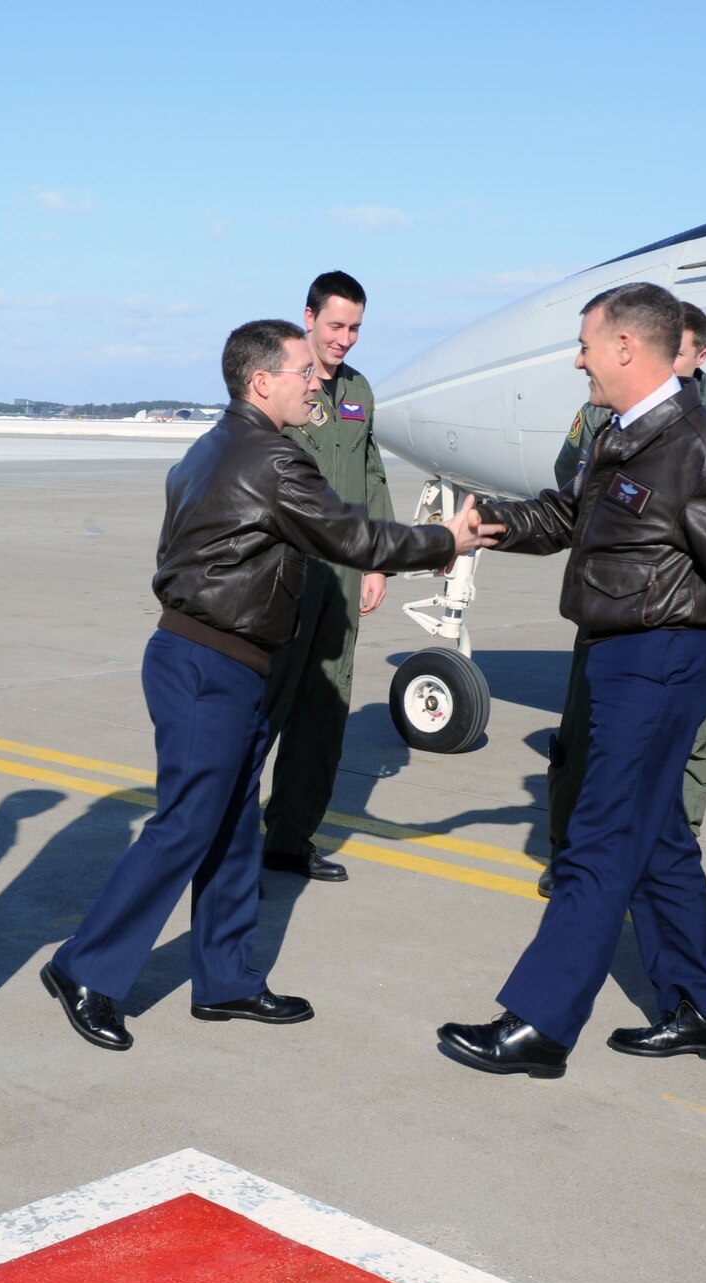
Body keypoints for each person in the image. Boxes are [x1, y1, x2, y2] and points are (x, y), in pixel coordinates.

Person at [42, 320, 500, 1051]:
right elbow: (353, 537)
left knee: (228, 828)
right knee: (188, 823)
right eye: (300, 371)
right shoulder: (271, 459)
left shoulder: (210, 449)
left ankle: (224, 980)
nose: (314, 380)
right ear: (262, 382)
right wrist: (449, 539)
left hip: (221, 658)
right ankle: (84, 969)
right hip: (209, 664)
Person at [438, 283, 706, 1078]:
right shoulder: (623, 434)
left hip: (661, 661)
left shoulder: (705, 449)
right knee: (661, 841)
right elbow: (572, 518)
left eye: (587, 345)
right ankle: (704, 1010)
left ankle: (539, 1023)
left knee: (598, 840)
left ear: (628, 349)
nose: (579, 359)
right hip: (618, 656)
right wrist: (487, 523)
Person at [537, 301, 706, 895]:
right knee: (583, 739)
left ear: (698, 355)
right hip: (612, 610)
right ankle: (574, 856)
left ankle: (663, 860)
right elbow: (574, 490)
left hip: (680, 620)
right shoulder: (607, 413)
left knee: (691, 750)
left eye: (681, 355)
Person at [261, 271, 392, 882]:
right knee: (264, 708)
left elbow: (371, 473)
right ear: (308, 317)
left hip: (340, 572)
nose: (345, 339)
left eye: (355, 328)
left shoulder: (358, 391)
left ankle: (288, 838)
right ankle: (229, 852)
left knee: (325, 708)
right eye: (336, 325)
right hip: (285, 568)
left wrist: (376, 560)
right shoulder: (282, 379)